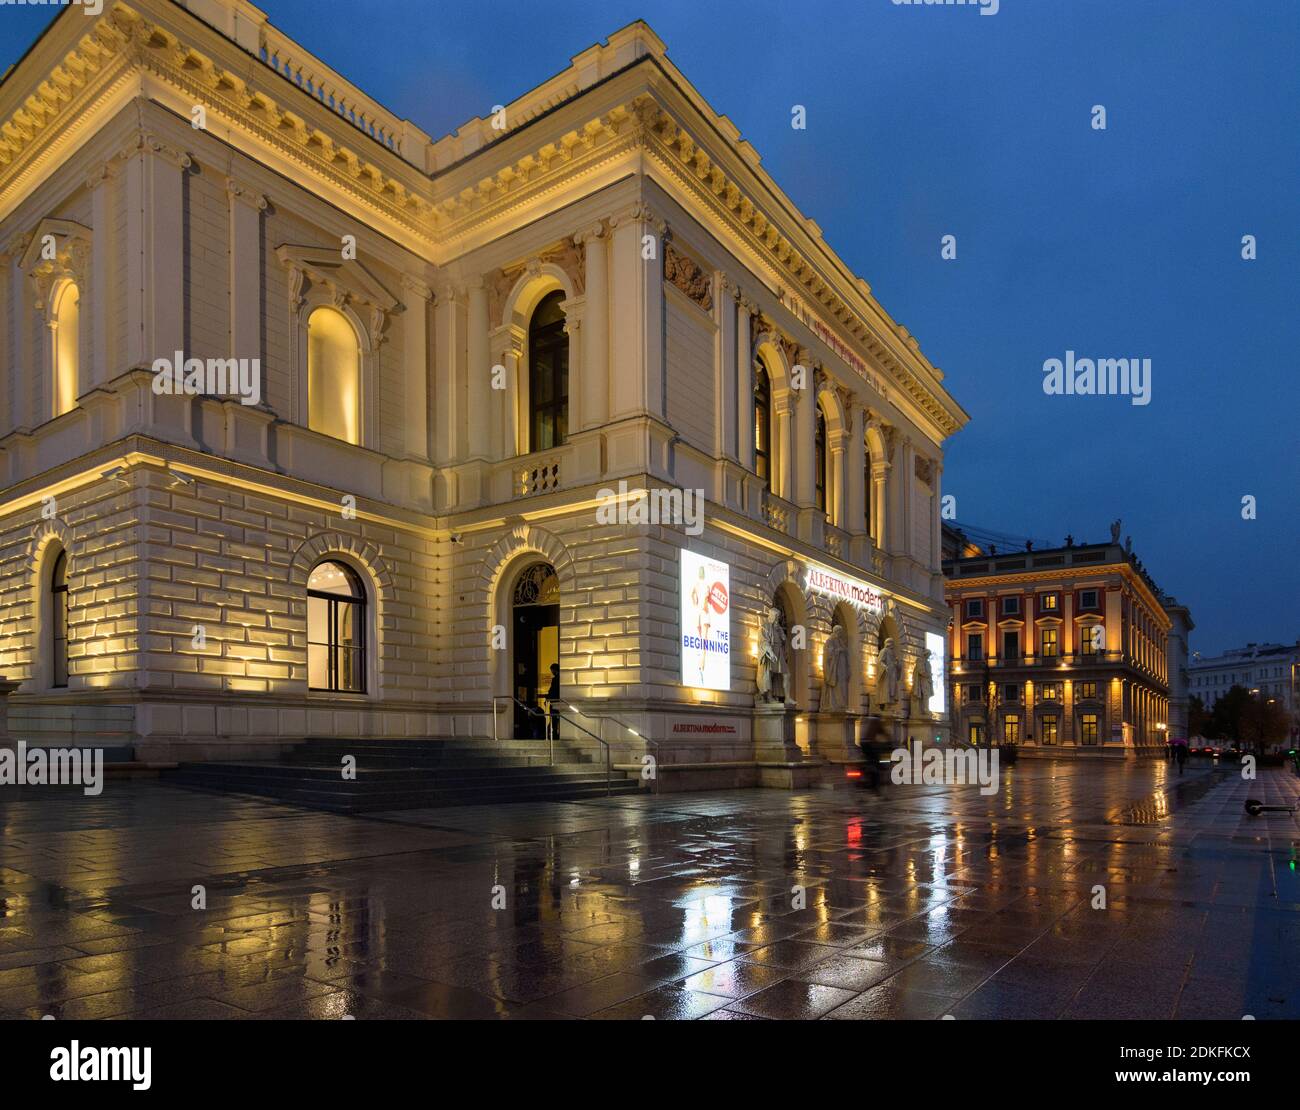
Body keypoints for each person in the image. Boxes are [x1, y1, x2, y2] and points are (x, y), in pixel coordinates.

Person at [544, 662, 561, 741]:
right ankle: (554, 735)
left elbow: (552, 691)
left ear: (554, 670)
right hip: (557, 702)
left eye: (552, 670)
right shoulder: (560, 678)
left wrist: (547, 698)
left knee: (554, 720)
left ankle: (554, 736)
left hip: (555, 703)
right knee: (556, 720)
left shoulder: (556, 679)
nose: (551, 672)